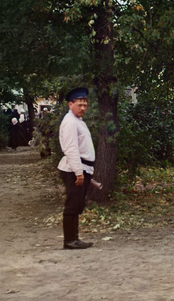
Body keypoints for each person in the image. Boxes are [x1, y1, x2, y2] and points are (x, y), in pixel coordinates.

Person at [58, 87, 97, 250]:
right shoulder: (69, 122)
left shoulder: (78, 121)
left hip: (82, 168)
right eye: (79, 104)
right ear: (70, 104)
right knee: (73, 204)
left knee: (78, 203)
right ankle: (69, 240)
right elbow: (71, 149)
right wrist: (78, 172)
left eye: (85, 105)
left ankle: (74, 238)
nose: (82, 108)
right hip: (74, 169)